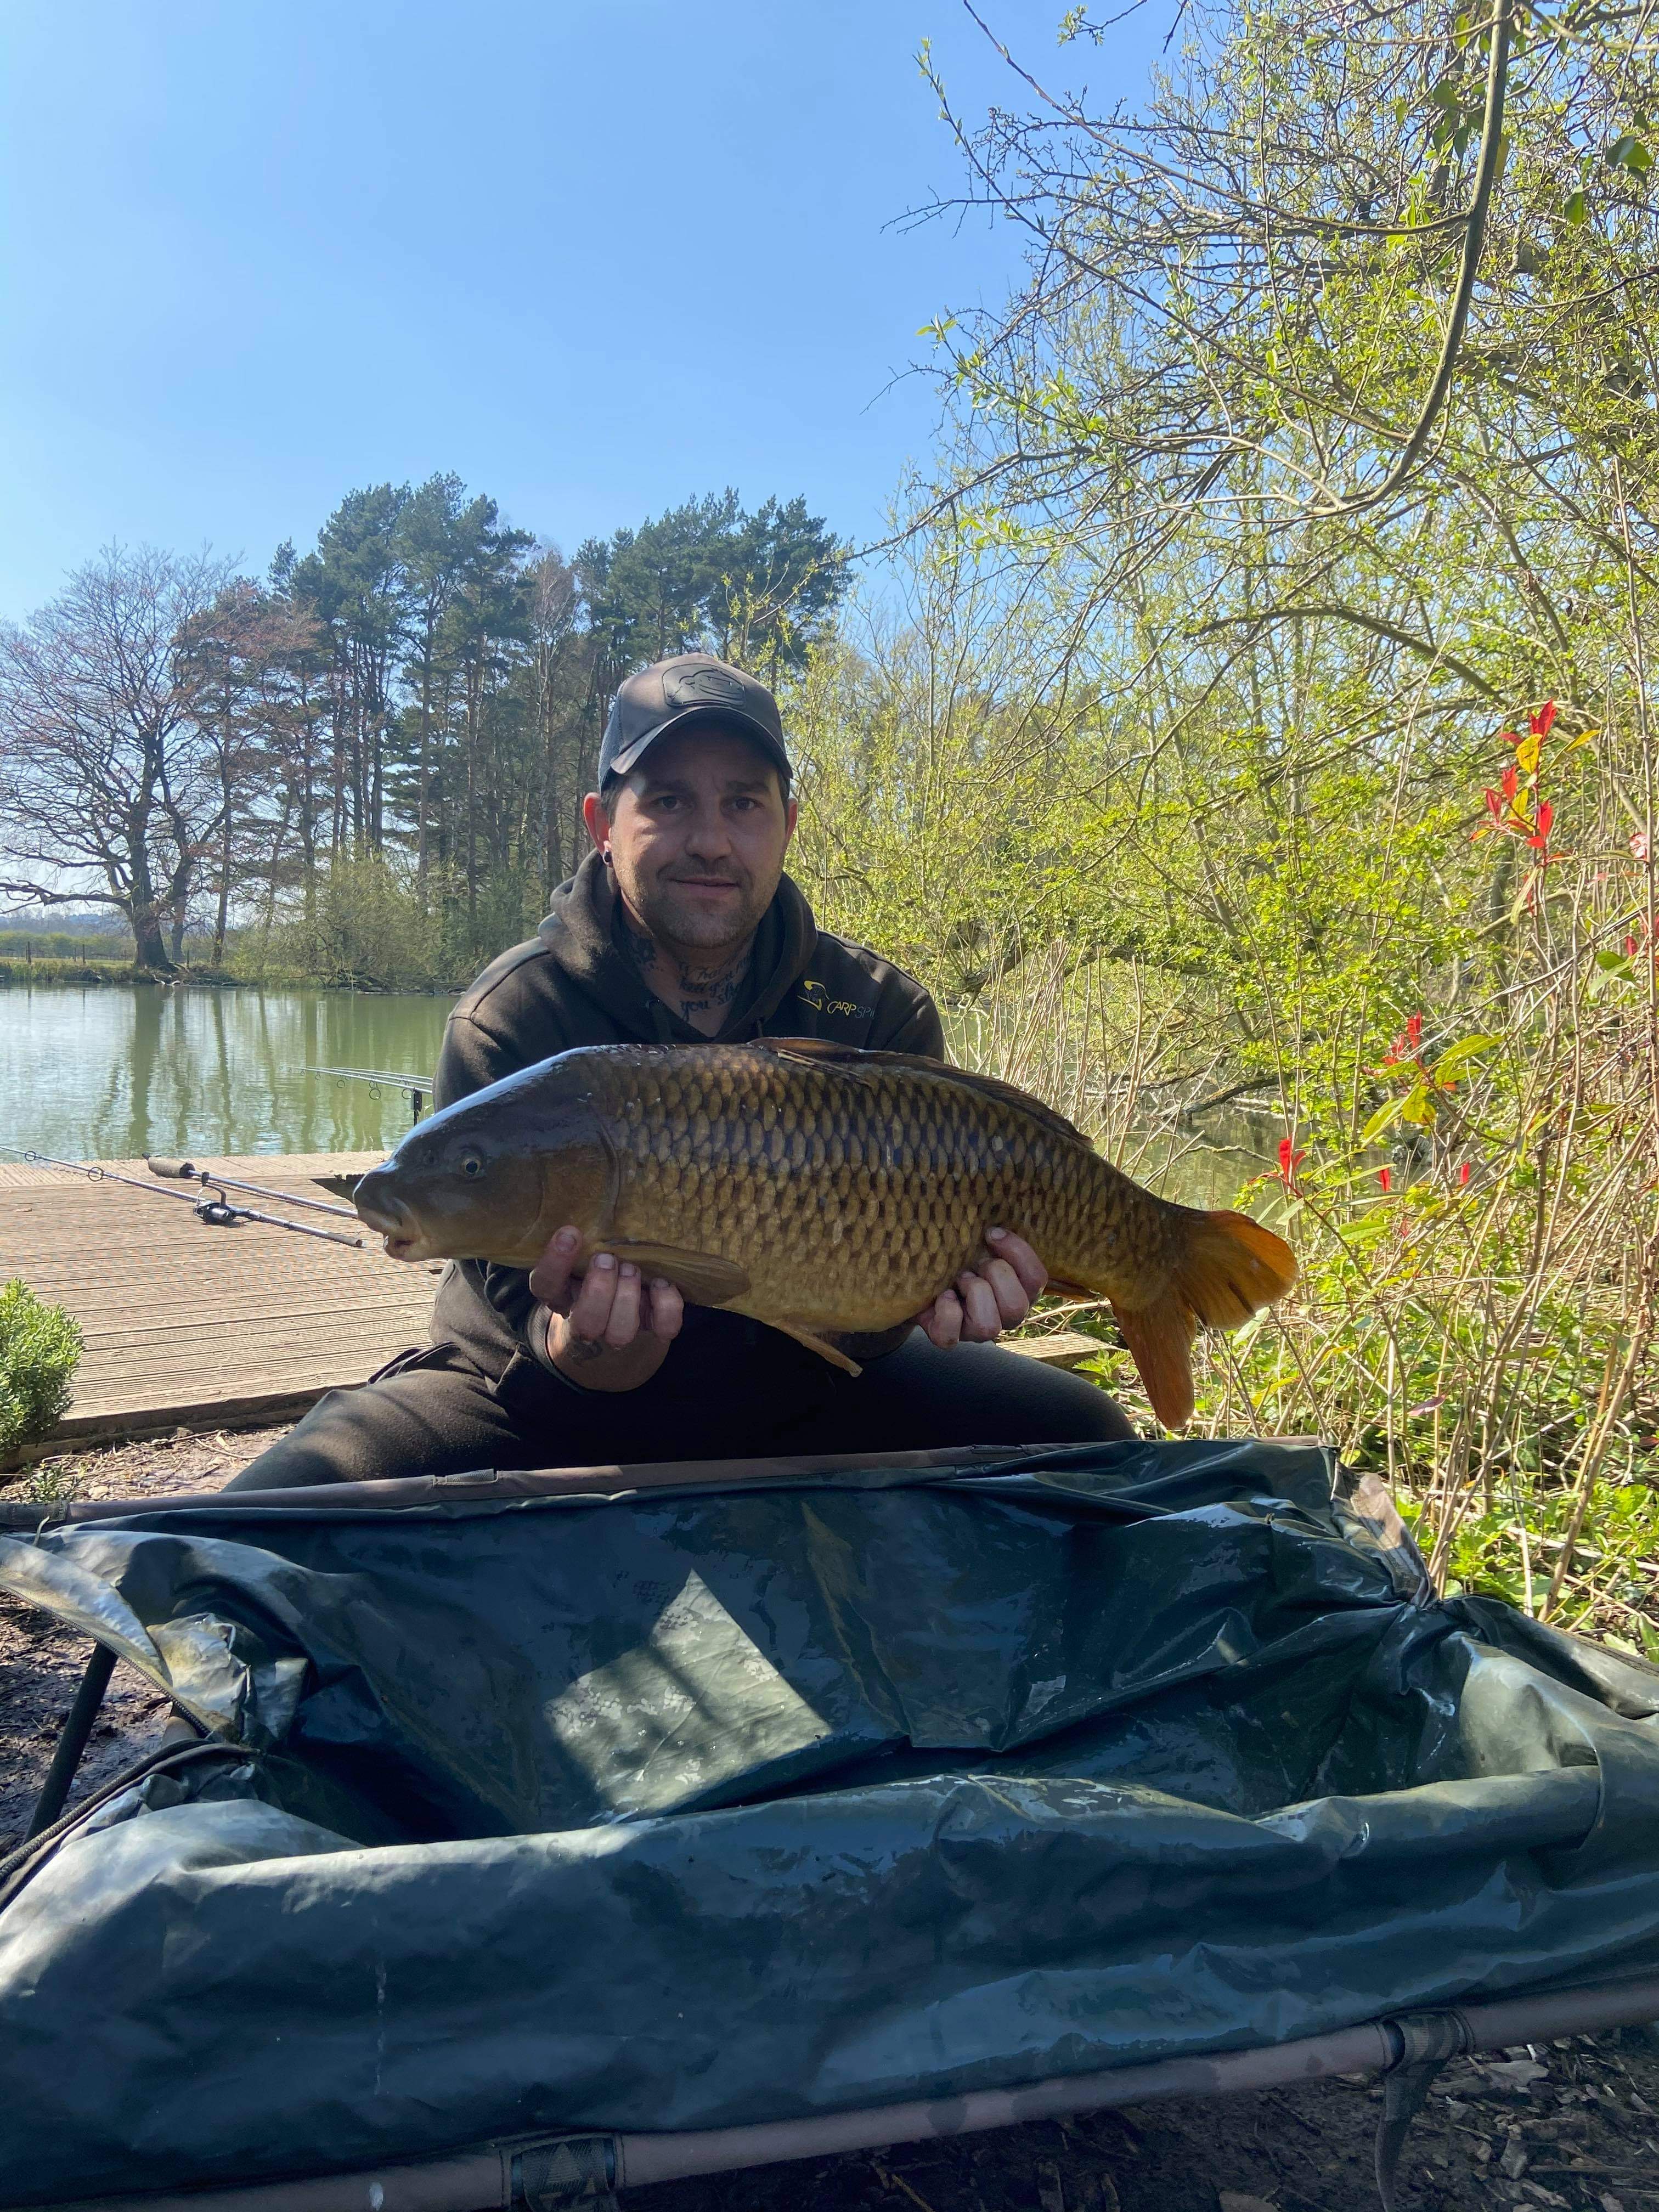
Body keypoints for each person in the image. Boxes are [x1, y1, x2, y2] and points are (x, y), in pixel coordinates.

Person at [227, 653, 1132, 1489]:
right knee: (288, 1501)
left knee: (1088, 1433)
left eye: (743, 803)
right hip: (542, 1404)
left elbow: (870, 1327)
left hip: (817, 1393)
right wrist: (593, 1348)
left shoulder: (879, 1010)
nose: (710, 839)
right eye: (668, 801)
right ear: (602, 824)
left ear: (787, 825)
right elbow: (534, 1331)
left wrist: (955, 1296)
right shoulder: (513, 1017)